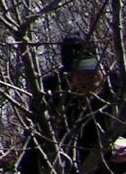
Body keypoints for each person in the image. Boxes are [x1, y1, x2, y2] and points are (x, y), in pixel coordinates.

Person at [20, 35, 126, 174]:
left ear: (103, 65)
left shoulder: (119, 87)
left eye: (91, 68)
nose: (86, 77)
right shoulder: (52, 94)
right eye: (78, 72)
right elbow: (34, 145)